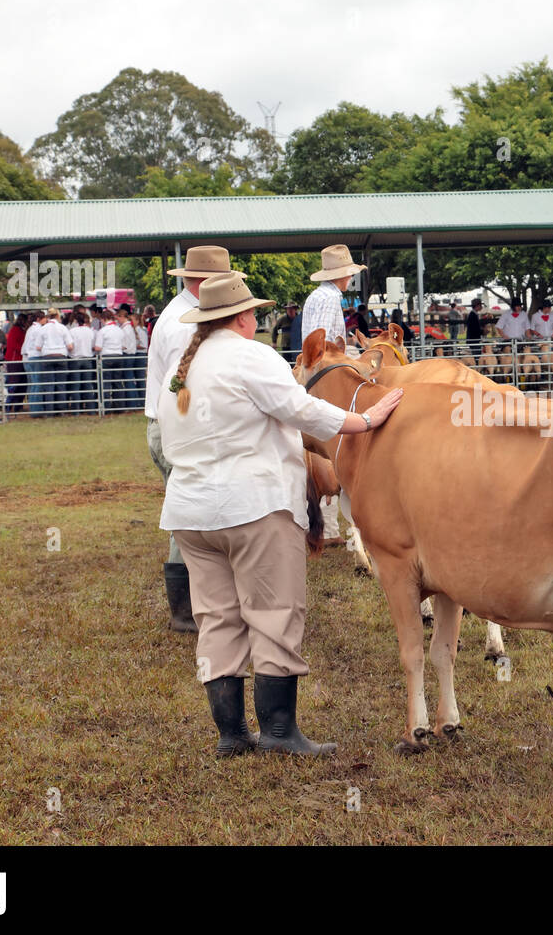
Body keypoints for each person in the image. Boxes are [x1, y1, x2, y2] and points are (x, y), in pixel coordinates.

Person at [158, 272, 403, 756]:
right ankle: (277, 733)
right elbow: (303, 409)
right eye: (253, 312)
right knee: (273, 612)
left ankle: (231, 735)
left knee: (218, 618)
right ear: (244, 317)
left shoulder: (182, 370)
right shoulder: (252, 357)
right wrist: (365, 421)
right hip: (255, 506)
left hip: (191, 512)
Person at [148, 245, 248, 634]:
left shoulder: (182, 314)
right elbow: (187, 387)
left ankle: (193, 607)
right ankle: (188, 611)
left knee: (187, 512)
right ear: (208, 282)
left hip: (176, 425)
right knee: (189, 513)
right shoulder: (183, 323)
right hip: (181, 427)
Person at [302, 245, 366, 346]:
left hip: (318, 358)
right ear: (343, 275)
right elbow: (321, 339)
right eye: (350, 273)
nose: (351, 276)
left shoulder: (317, 294)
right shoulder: (330, 297)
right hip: (328, 360)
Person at [34, 307, 72, 414]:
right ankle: (61, 410)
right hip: (60, 356)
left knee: (49, 385)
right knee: (61, 384)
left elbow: (37, 347)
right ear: (58, 315)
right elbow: (70, 346)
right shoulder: (63, 328)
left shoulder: (43, 328)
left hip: (47, 356)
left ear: (48, 316)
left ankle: (49, 411)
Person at [69, 311, 95, 413]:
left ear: (75, 320)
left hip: (75, 359)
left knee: (76, 385)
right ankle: (91, 409)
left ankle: (76, 410)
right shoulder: (89, 331)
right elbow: (93, 345)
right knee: (88, 385)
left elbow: (70, 346)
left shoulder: (72, 331)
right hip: (87, 358)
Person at [22, 310, 47, 415]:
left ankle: (33, 408)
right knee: (38, 384)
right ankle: (37, 410)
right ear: (39, 319)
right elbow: (39, 345)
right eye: (44, 318)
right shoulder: (38, 330)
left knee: (33, 384)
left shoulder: (31, 329)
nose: (46, 320)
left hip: (27, 358)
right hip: (35, 357)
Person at [4, 313, 28, 413]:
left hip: (20, 359)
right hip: (14, 360)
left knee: (22, 383)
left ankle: (18, 404)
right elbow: (14, 345)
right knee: (15, 383)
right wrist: (25, 350)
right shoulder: (15, 330)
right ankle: (9, 405)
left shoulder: (21, 330)